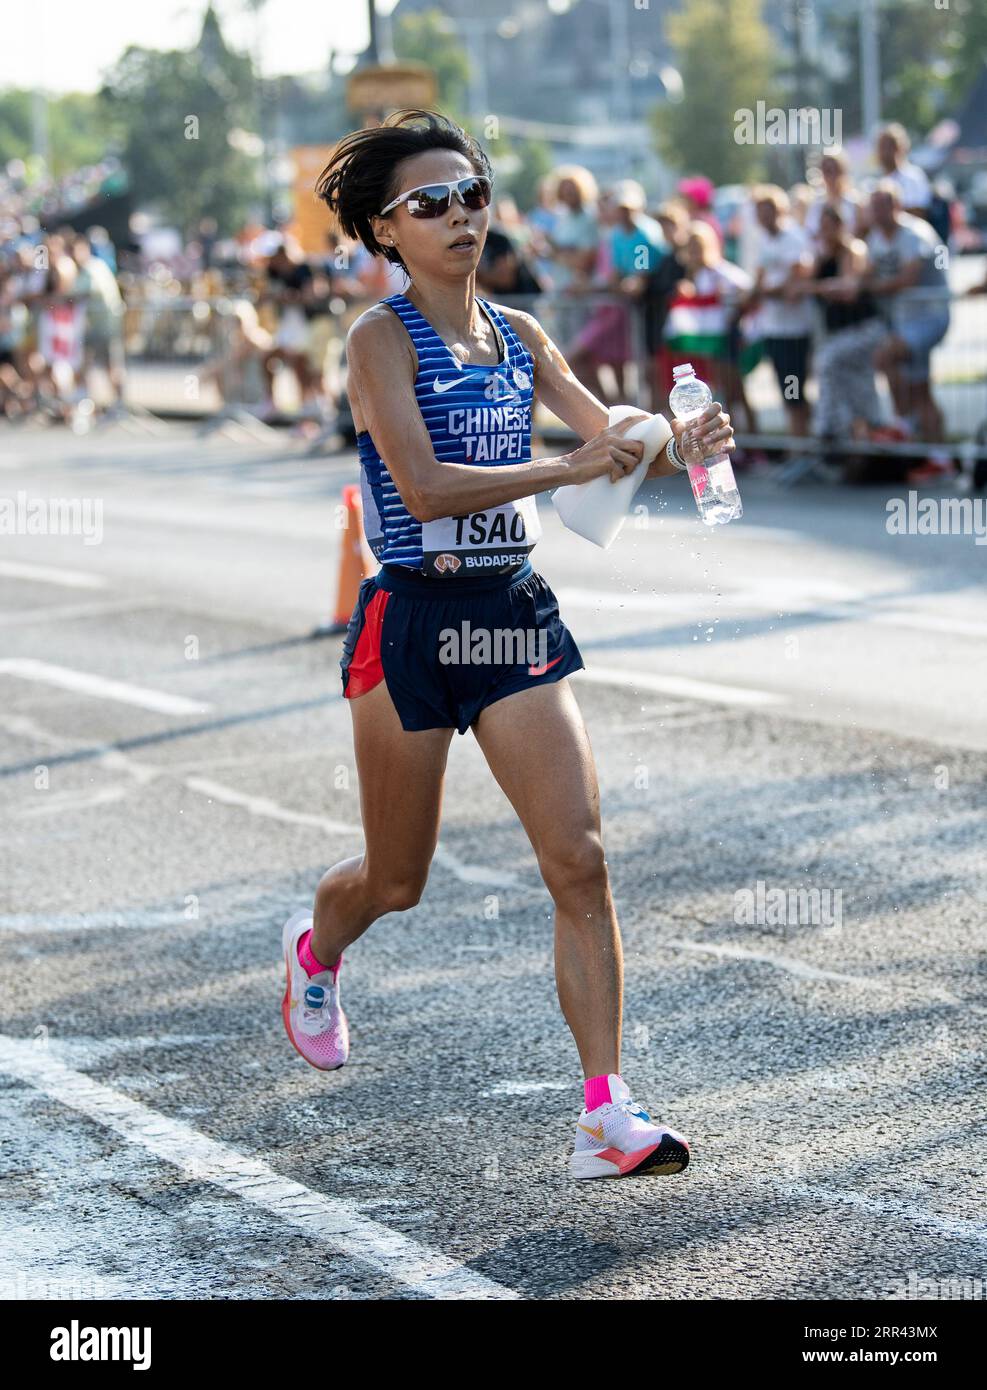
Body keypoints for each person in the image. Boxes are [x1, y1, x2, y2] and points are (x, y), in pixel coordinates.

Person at [284, 108, 735, 1182]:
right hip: (412, 621)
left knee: (580, 859)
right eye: (430, 203)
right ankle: (318, 949)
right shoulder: (377, 339)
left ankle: (604, 1115)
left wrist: (677, 444)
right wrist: (566, 472)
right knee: (398, 880)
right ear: (387, 233)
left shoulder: (523, 336)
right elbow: (427, 485)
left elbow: (609, 448)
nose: (460, 216)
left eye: (472, 193)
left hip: (513, 612)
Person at [863, 183, 952, 482]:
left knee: (884, 356)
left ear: (895, 206)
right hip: (904, 320)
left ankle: (902, 423)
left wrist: (868, 287)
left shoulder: (916, 233)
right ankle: (939, 458)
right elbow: (870, 271)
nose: (876, 213)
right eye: (873, 206)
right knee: (921, 390)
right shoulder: (875, 237)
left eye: (882, 206)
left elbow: (909, 277)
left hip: (929, 317)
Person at [797, 205, 884, 450]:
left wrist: (819, 288)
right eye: (821, 228)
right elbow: (804, 284)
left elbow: (848, 288)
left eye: (829, 227)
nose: (825, 233)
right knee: (855, 381)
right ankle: (861, 436)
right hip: (839, 331)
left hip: (862, 328)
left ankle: (828, 429)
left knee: (827, 363)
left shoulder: (853, 249)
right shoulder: (821, 255)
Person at [747, 185, 815, 439]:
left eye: (768, 211)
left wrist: (767, 290)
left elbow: (796, 279)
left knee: (795, 390)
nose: (764, 217)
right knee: (786, 390)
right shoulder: (764, 240)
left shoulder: (794, 237)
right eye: (760, 212)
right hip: (774, 327)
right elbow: (761, 278)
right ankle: (799, 444)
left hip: (795, 328)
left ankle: (804, 443)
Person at [873, 123, 931, 219]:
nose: (885, 152)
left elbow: (917, 213)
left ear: (901, 148)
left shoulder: (913, 176)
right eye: (882, 147)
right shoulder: (878, 180)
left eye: (890, 146)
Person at [805, 149, 863, 243]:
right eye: (826, 170)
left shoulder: (854, 202)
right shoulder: (816, 204)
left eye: (835, 169)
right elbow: (810, 234)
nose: (831, 174)